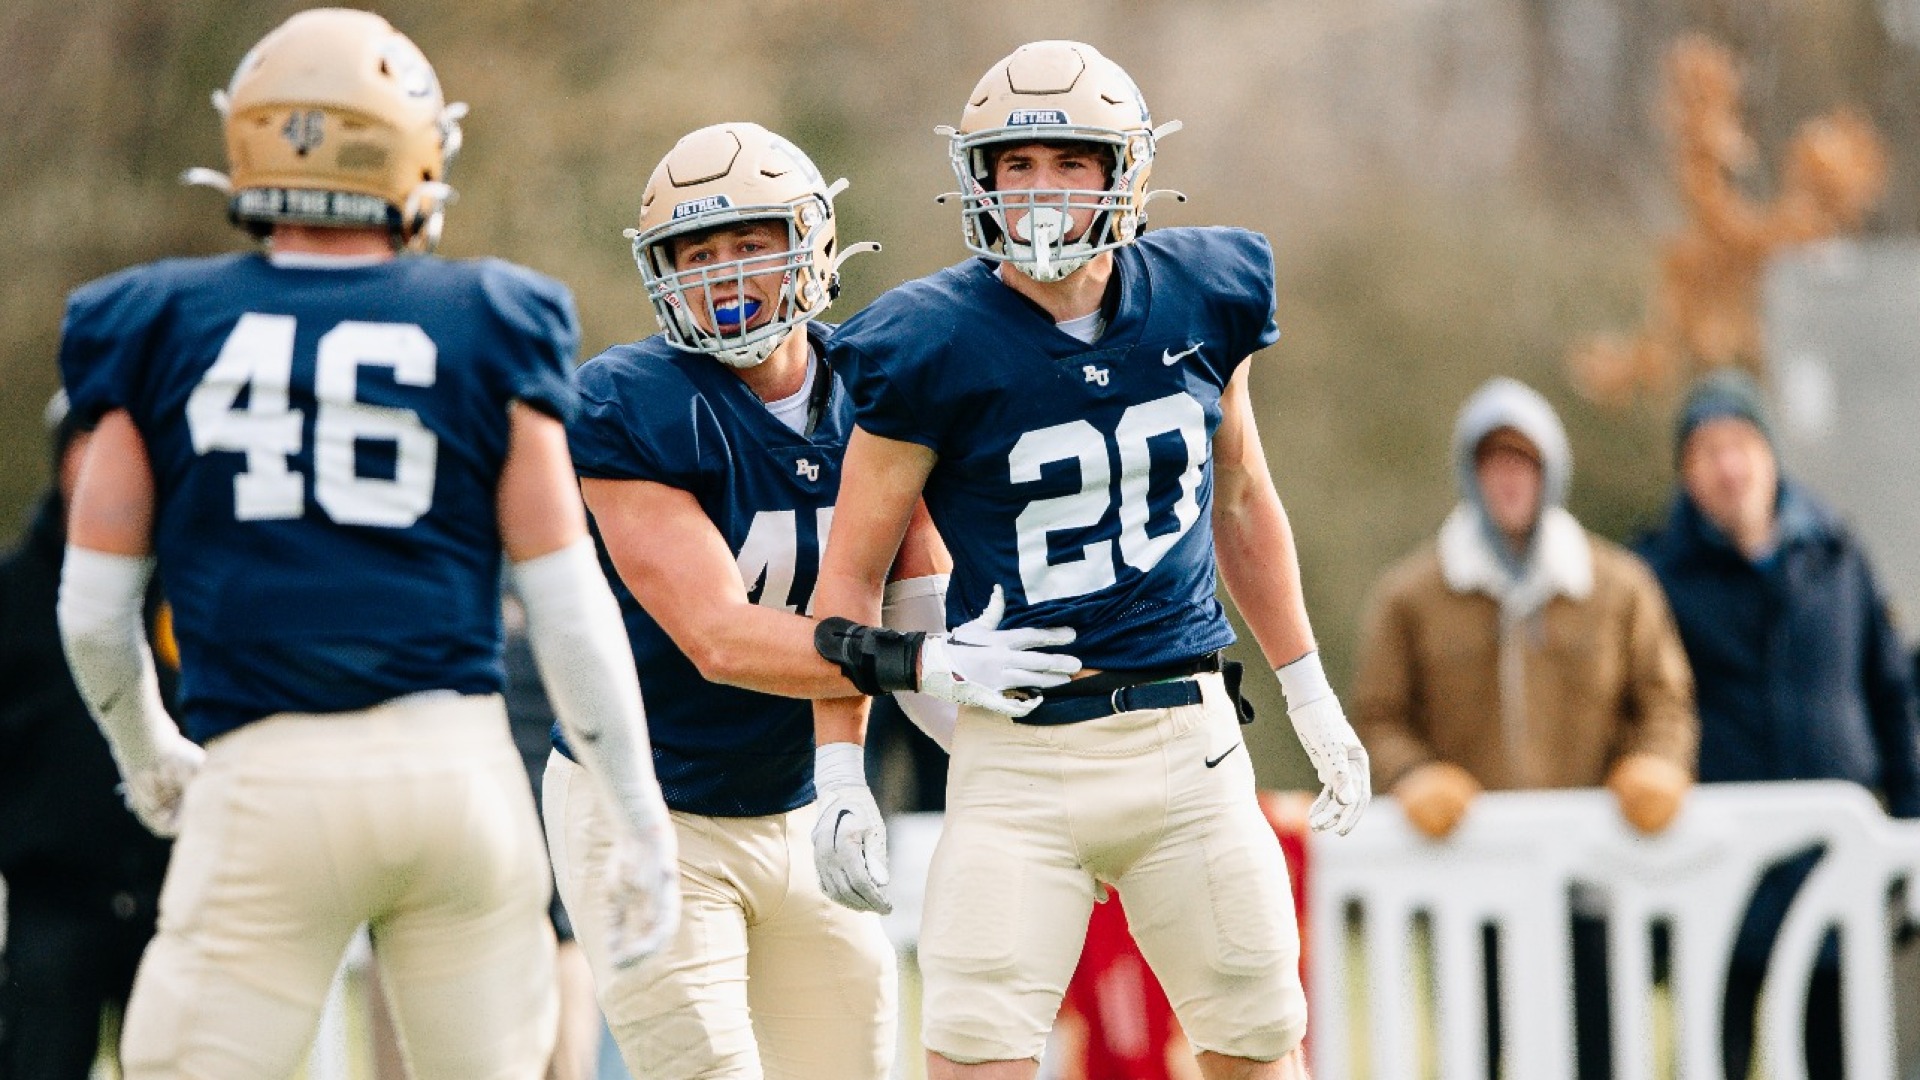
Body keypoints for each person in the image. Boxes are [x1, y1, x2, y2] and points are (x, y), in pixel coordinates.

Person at [52, 10, 678, 1078]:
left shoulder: (152, 317)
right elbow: (570, 608)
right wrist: (636, 815)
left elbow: (93, 609)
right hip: (455, 775)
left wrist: (146, 752)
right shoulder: (489, 313)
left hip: (265, 778)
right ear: (415, 149)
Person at [808, 40, 1371, 1080]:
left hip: (1185, 739)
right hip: (1018, 755)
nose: (1040, 190)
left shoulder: (1205, 295)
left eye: (1070, 161)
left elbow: (1241, 497)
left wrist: (1309, 691)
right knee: (975, 1052)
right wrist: (840, 760)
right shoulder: (924, 341)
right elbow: (847, 579)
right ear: (977, 179)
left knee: (1258, 1045)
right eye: (1015, 165)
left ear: (1127, 172)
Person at [544, 121, 1078, 1080]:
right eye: (695, 254)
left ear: (814, 243)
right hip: (650, 804)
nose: (723, 275)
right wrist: (920, 663)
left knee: (852, 1063)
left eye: (750, 244)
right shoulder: (631, 402)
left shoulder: (884, 379)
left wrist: (1060, 772)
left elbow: (925, 623)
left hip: (802, 800)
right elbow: (719, 638)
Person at [1349, 376, 1697, 1079]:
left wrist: (1658, 765)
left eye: (1524, 463)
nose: (1510, 480)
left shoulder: (1619, 586)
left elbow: (1665, 701)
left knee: (1604, 1055)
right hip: (1468, 881)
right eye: (1494, 464)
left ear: (1551, 471)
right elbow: (1379, 716)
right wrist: (1413, 776)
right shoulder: (1410, 596)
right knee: (1477, 1057)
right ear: (1471, 475)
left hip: (1596, 883)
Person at [1634, 369, 1920, 1080]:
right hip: (1718, 878)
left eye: (1739, 445)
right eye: (1704, 453)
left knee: (1842, 1057)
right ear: (1686, 475)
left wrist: (1912, 825)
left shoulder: (1836, 556)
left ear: (1767, 454)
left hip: (1835, 876)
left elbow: (1891, 694)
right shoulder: (1657, 578)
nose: (1726, 467)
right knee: (1715, 1057)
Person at [0, 395, 177, 1080]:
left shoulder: (188, 590)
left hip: (170, 898)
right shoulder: (14, 593)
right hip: (53, 907)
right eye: (85, 441)